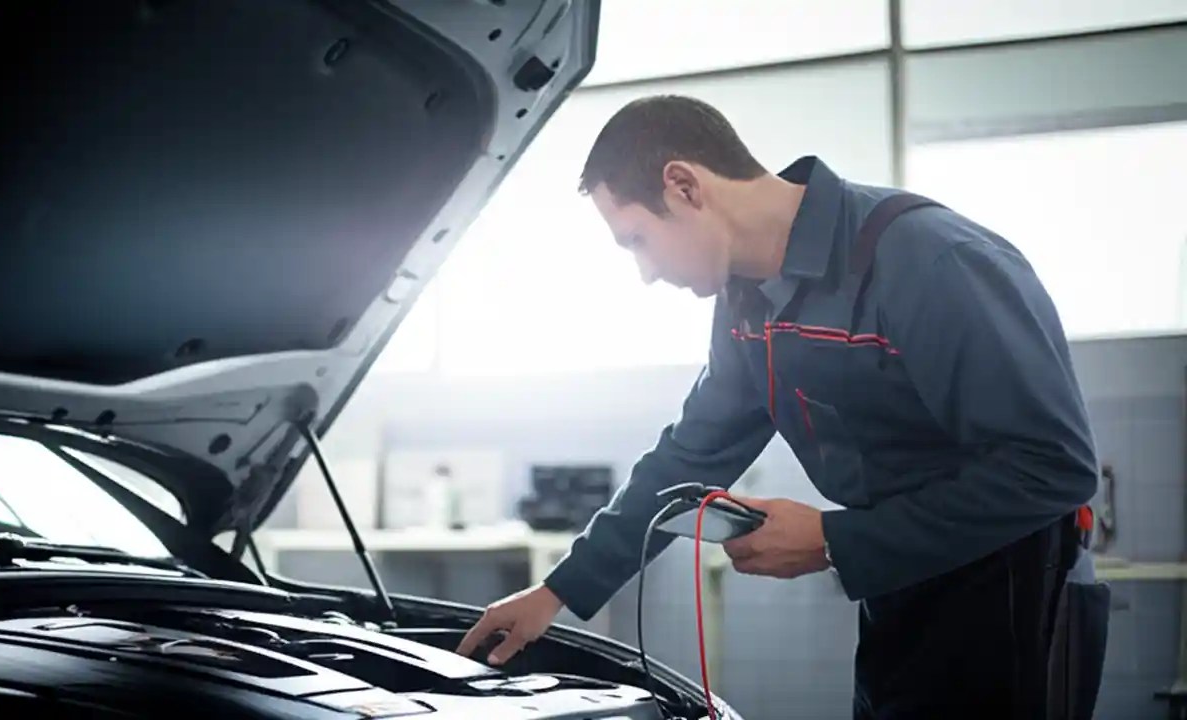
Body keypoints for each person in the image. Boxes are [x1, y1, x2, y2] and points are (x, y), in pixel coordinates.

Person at [456, 94, 1101, 719]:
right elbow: (691, 452)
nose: (646, 273)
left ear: (684, 186)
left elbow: (1052, 467)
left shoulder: (930, 261)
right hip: (899, 584)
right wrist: (558, 590)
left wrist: (832, 539)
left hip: (1012, 595)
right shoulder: (746, 303)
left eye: (637, 240)